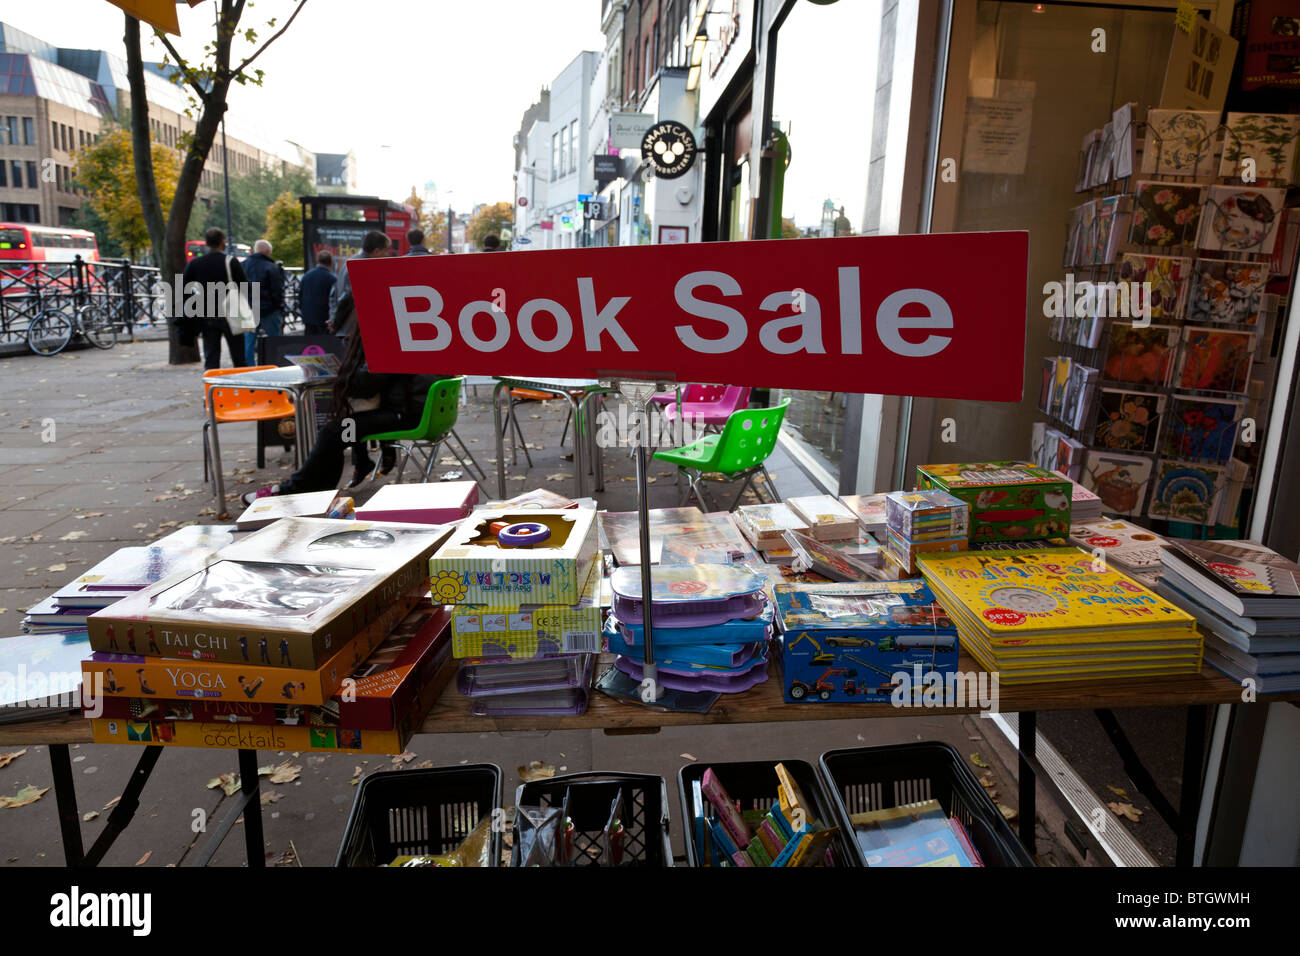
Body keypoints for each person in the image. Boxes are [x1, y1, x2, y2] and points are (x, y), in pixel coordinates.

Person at [242, 331, 442, 503]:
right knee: (339, 432)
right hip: (419, 412)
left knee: (334, 432)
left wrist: (340, 376)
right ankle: (319, 491)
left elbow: (365, 384)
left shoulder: (390, 341)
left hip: (404, 416)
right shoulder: (407, 334)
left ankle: (291, 490)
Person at [182, 227, 246, 370]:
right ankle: (242, 387)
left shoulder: (196, 264)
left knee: (211, 356)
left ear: (207, 243)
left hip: (207, 313)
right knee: (238, 356)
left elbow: (184, 288)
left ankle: (213, 388)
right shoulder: (230, 262)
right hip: (230, 313)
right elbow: (243, 286)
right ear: (223, 242)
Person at [329, 230, 390, 338]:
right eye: (385, 251)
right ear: (376, 251)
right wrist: (335, 322)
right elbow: (346, 299)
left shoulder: (348, 263)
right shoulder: (363, 267)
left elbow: (334, 294)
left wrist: (334, 319)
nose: (387, 255)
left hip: (345, 329)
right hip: (354, 331)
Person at [241, 239, 286, 364]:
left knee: (248, 342)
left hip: (249, 308)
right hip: (269, 309)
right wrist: (279, 306)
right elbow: (277, 290)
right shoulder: (271, 267)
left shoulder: (243, 265)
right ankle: (275, 363)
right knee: (274, 339)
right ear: (268, 252)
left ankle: (249, 367)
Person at [297, 251, 336, 335]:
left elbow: (300, 295)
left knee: (310, 345)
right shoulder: (332, 278)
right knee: (324, 346)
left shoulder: (307, 275)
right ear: (331, 262)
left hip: (308, 317)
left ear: (317, 260)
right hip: (325, 319)